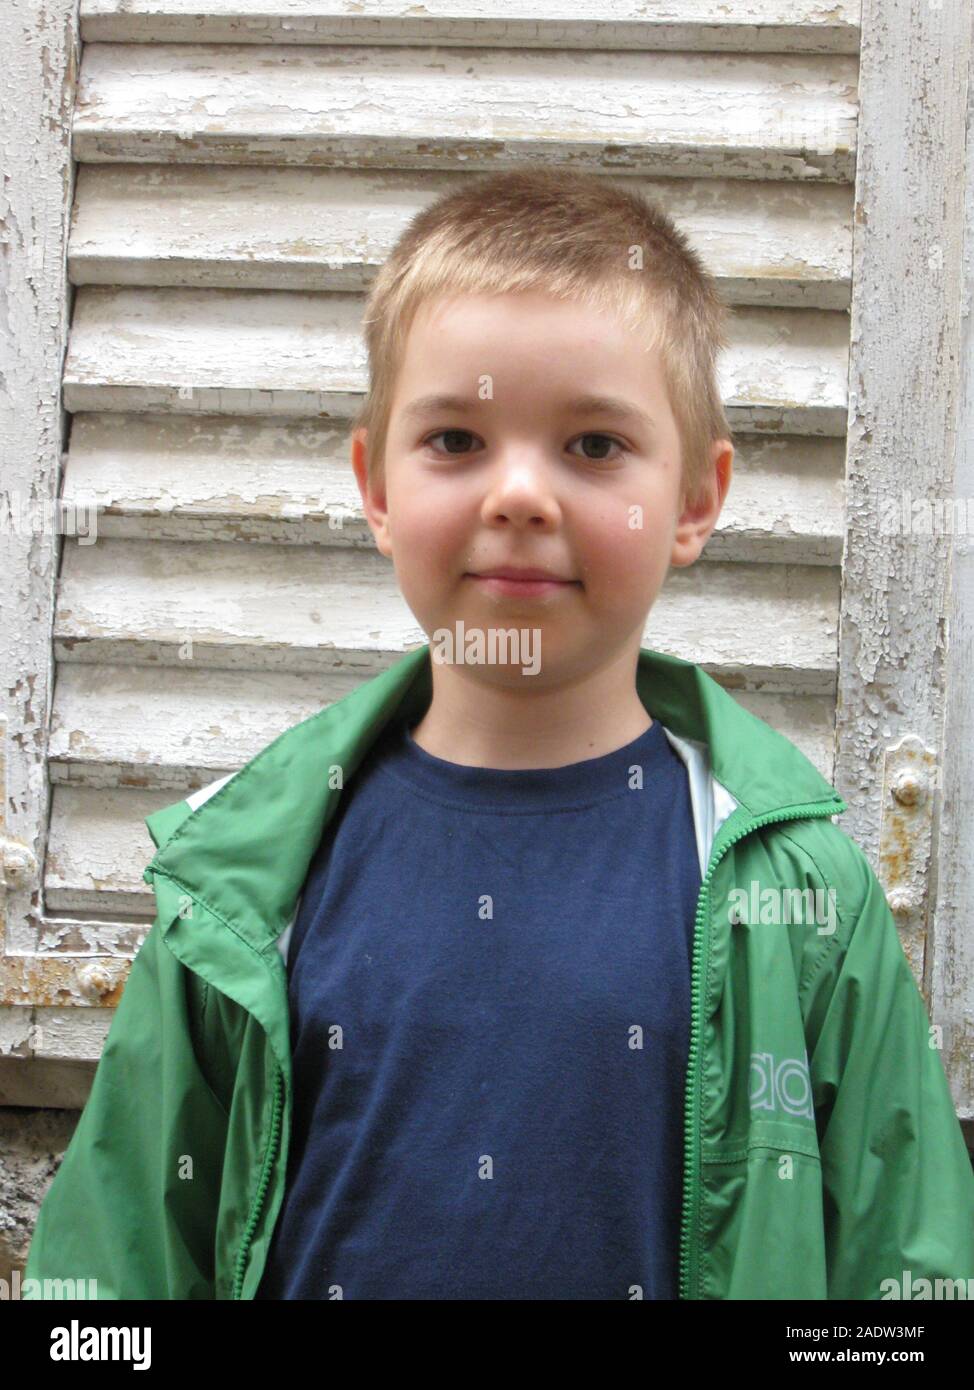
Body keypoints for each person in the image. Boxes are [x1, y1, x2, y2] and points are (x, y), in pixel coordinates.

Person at [24, 168, 974, 1300]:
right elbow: (111, 1266)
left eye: (591, 447)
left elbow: (903, 1268)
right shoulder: (240, 879)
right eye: (458, 438)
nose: (519, 493)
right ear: (373, 484)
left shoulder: (800, 887)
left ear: (694, 501)